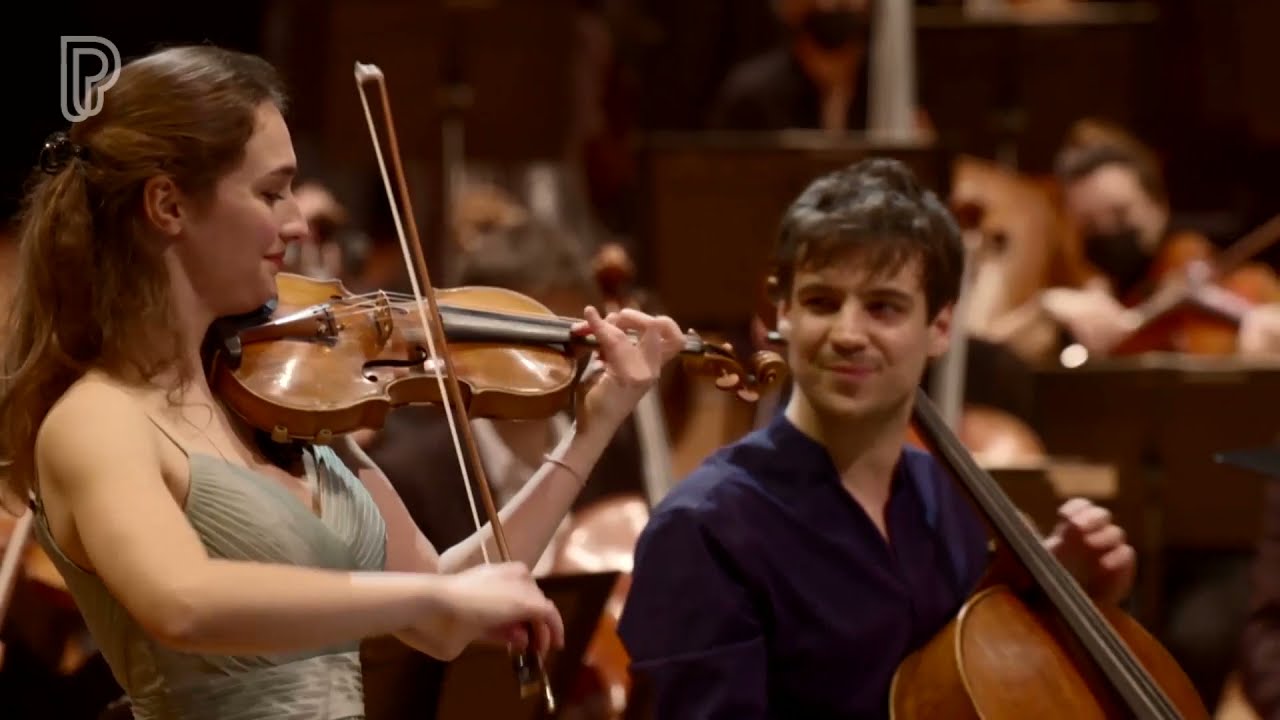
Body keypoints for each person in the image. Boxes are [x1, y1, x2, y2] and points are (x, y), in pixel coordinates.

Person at [0, 45, 686, 720]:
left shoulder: (279, 405)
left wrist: (594, 426)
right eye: (271, 193)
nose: (297, 222)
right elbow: (182, 602)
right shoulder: (96, 420)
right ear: (168, 206)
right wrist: (431, 602)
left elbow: (446, 616)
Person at [616, 157, 1138, 718]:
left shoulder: (947, 501)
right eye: (821, 302)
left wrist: (1049, 600)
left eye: (883, 307)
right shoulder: (705, 529)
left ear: (940, 327)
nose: (847, 334)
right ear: (782, 313)